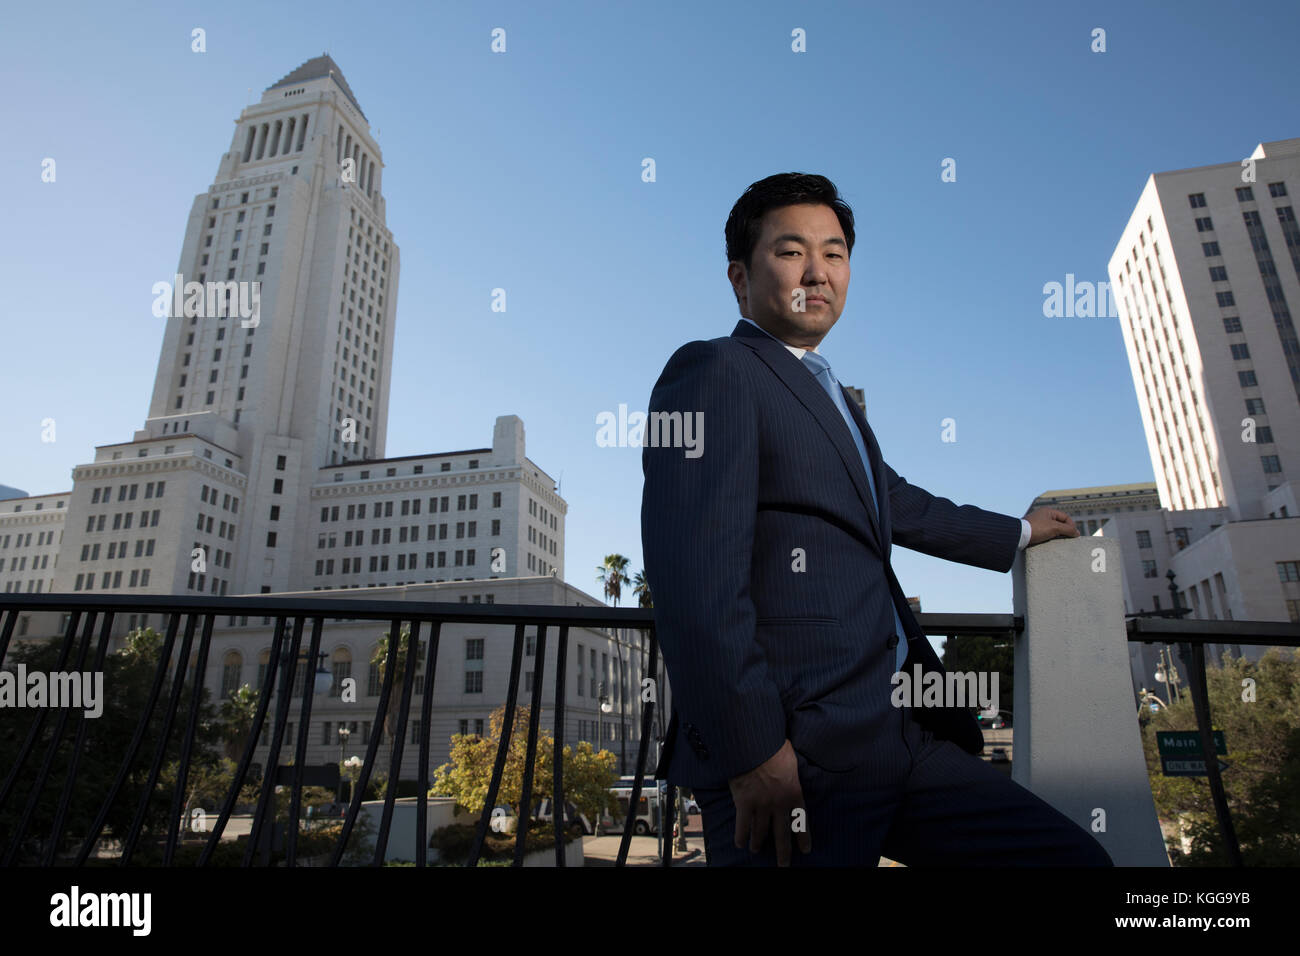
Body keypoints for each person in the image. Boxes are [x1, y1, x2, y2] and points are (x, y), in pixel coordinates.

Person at [640, 172, 1112, 867]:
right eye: (791, 250)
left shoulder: (832, 396)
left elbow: (897, 502)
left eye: (834, 253)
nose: (818, 271)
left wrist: (1017, 533)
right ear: (740, 278)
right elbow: (693, 578)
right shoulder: (712, 370)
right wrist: (754, 753)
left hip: (896, 734)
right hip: (793, 753)